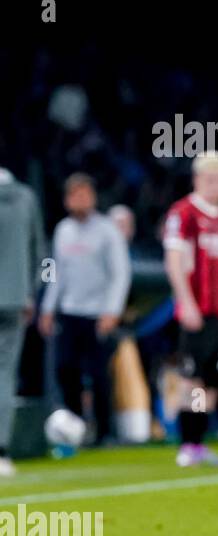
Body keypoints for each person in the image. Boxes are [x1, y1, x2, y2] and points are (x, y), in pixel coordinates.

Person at [162, 151, 218, 467]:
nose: (216, 186)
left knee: (212, 381)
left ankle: (198, 442)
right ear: (197, 180)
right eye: (209, 179)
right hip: (199, 309)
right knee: (191, 379)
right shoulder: (183, 214)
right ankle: (187, 443)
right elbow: (174, 262)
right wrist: (186, 302)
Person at [38, 174, 132, 445]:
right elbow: (53, 271)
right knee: (65, 369)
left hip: (97, 313)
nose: (81, 200)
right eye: (76, 195)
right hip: (69, 311)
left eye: (86, 194)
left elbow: (120, 273)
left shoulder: (107, 230)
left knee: (99, 373)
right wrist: (47, 307)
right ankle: (75, 427)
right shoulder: (62, 230)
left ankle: (105, 432)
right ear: (67, 200)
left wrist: (111, 310)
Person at [0, 164, 46, 478]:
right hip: (15, 299)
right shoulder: (27, 197)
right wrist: (34, 292)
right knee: (4, 377)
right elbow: (42, 253)